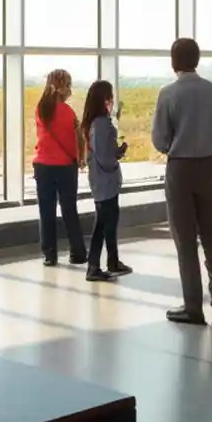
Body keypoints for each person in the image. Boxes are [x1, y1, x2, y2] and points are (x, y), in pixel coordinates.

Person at [152, 38, 212, 327]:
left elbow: (160, 139)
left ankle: (192, 306)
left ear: (174, 61)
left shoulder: (168, 94)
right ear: (197, 59)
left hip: (180, 169)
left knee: (185, 241)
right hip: (209, 168)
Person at [33, 69, 88, 267]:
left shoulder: (40, 109)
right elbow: (78, 138)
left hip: (43, 165)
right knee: (69, 210)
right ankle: (77, 252)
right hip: (65, 166)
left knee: (46, 212)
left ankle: (49, 255)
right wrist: (80, 159)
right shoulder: (68, 112)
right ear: (63, 87)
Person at [81, 80, 132, 283]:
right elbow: (104, 156)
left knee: (109, 221)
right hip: (105, 180)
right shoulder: (101, 123)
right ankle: (93, 266)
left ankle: (113, 260)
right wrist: (115, 157)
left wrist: (117, 151)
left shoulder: (93, 123)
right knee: (103, 223)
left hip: (102, 179)